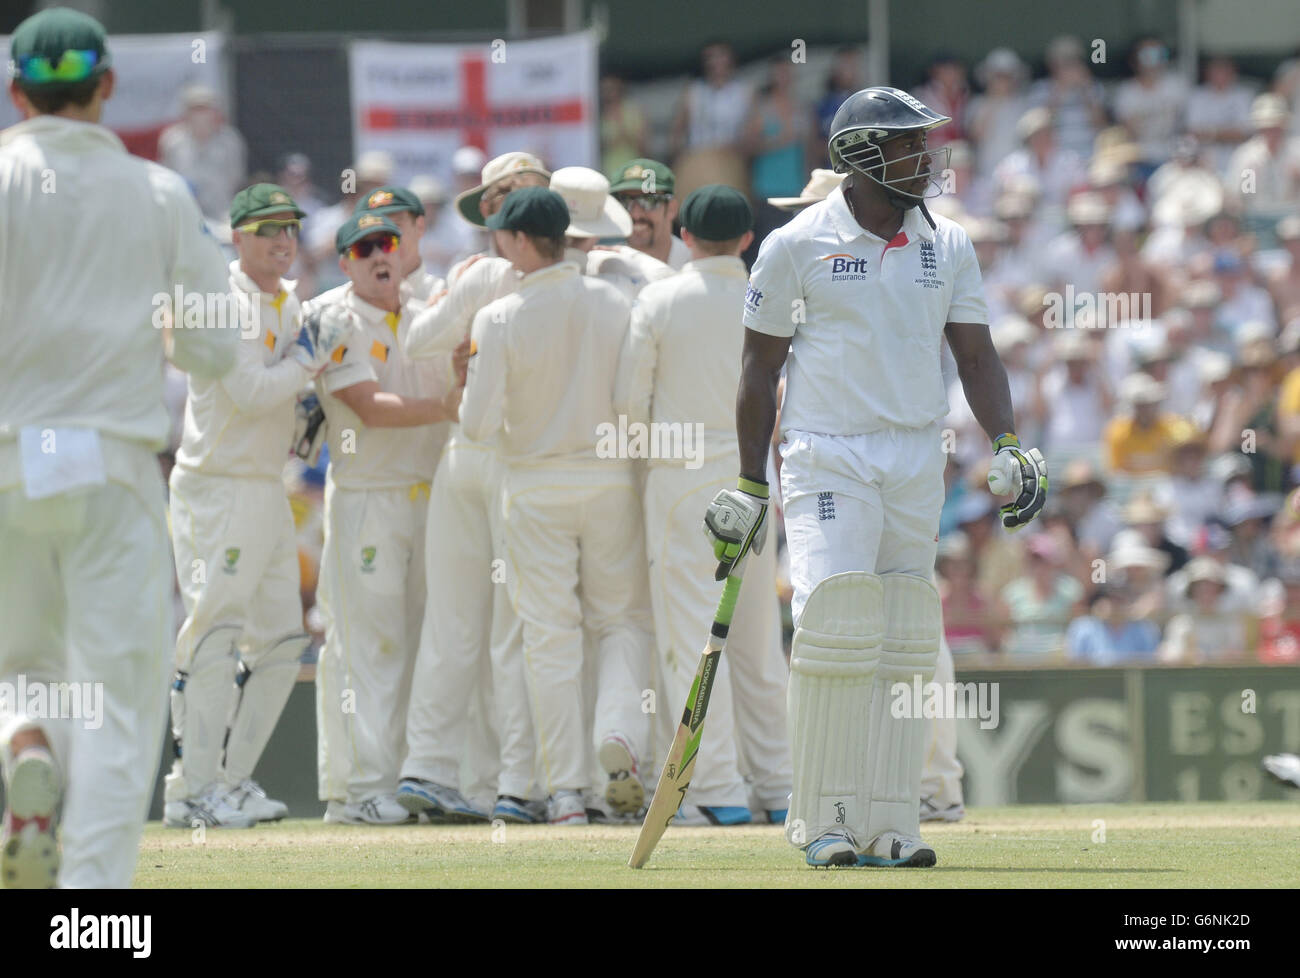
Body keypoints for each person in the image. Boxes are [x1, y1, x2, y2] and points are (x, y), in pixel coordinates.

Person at [710, 86, 1046, 868]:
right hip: (827, 451)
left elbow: (976, 354)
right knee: (836, 621)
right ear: (859, 155)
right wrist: (748, 483)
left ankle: (893, 821)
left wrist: (1008, 441)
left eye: (923, 144)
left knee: (902, 632)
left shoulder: (950, 245)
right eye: (905, 145)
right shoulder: (795, 245)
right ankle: (823, 820)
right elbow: (758, 373)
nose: (923, 159)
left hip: (914, 454)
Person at [0, 7, 236, 888]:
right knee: (116, 703)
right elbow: (214, 346)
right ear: (104, 87)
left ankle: (24, 744)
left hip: (10, 457)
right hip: (112, 467)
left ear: (19, 90)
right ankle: (87, 907)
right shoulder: (158, 192)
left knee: (19, 664)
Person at [459, 187, 655, 825]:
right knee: (620, 622)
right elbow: (632, 404)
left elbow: (478, 427)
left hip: (534, 487)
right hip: (608, 481)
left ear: (518, 242)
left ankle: (567, 791)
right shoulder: (617, 303)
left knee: (549, 638)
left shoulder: (499, 316)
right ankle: (620, 736)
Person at [164, 184, 345, 829]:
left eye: (290, 229)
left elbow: (288, 396)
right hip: (216, 486)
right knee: (212, 633)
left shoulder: (289, 301)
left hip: (267, 485)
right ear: (237, 238)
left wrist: (312, 404)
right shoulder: (222, 305)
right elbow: (247, 390)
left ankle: (232, 783)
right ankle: (191, 789)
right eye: (267, 230)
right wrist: (308, 360)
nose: (283, 241)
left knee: (281, 640)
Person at [615, 185, 792, 826]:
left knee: (692, 638)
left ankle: (715, 788)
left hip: (680, 478)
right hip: (751, 475)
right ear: (748, 239)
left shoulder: (658, 298)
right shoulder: (766, 295)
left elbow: (630, 405)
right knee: (755, 640)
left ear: (684, 235)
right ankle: (778, 784)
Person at [311, 213, 465, 824]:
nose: (380, 254)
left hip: (429, 495)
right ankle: (358, 790)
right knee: (367, 646)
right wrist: (447, 407)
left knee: (420, 643)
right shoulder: (333, 317)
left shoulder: (425, 313)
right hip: (368, 496)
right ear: (345, 262)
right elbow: (368, 407)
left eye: (390, 243)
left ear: (406, 253)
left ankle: (403, 780)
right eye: (364, 247)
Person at [158, 84, 248, 223]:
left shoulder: (230, 141)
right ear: (186, 112)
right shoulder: (172, 140)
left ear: (215, 111)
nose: (200, 115)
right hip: (184, 213)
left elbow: (236, 179)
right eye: (195, 109)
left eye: (205, 108)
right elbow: (166, 178)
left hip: (221, 213)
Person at [608, 158, 691, 269]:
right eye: (624, 201)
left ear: (672, 208)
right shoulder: (607, 267)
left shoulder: (693, 265)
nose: (636, 214)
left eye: (648, 201)